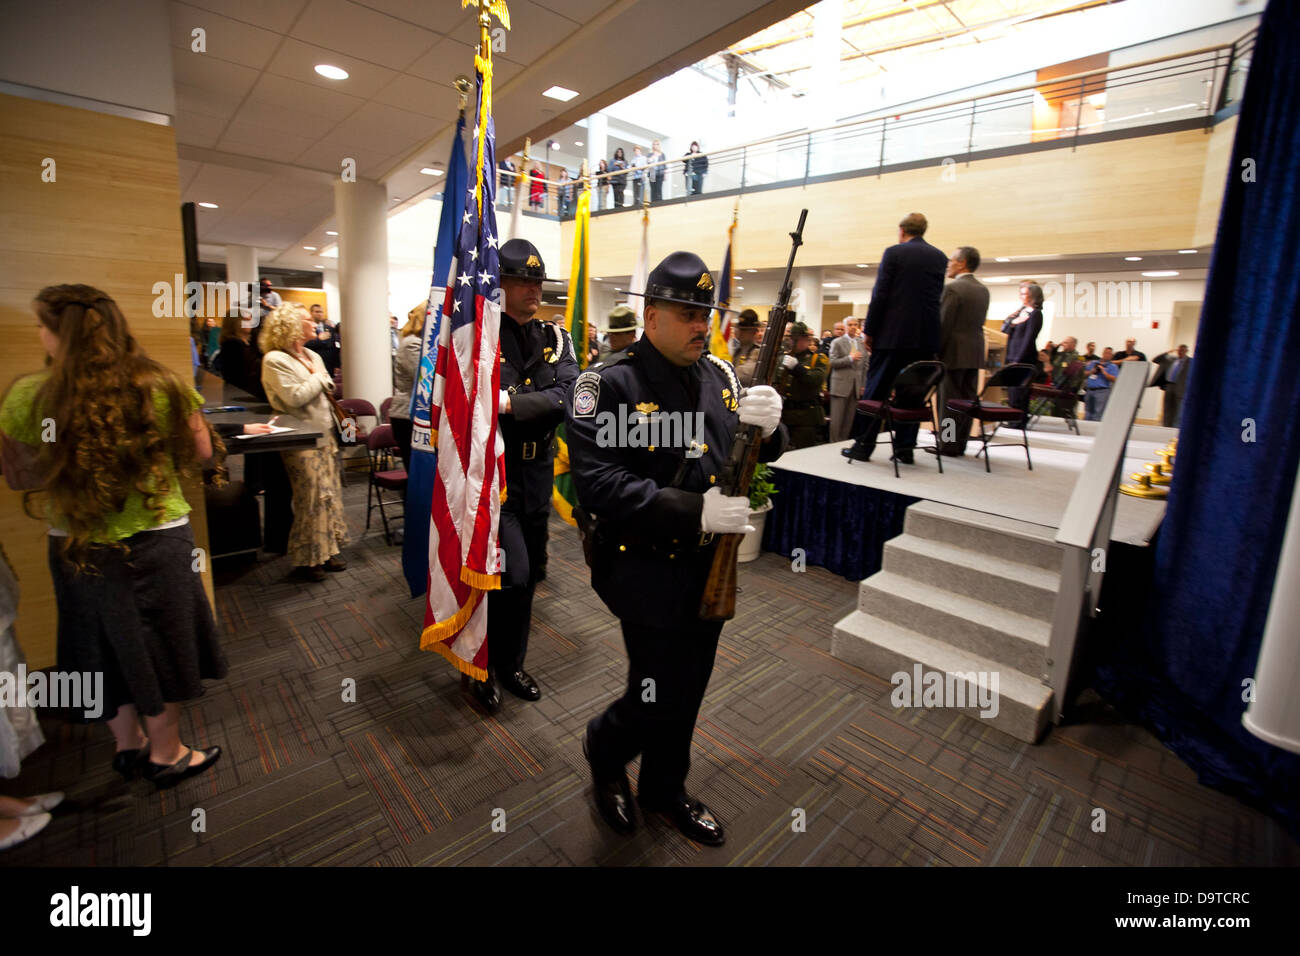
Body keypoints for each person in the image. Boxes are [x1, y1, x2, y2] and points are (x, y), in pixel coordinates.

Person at [566, 250, 788, 845]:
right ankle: (604, 746)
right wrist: (696, 509)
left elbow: (759, 448)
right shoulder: (606, 384)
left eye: (705, 313)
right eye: (687, 312)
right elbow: (600, 484)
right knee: (656, 688)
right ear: (652, 315)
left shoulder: (720, 376)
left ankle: (665, 788)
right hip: (641, 565)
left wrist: (773, 424)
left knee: (689, 685)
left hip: (708, 567)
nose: (700, 325)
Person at [0, 285, 225, 791]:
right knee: (163, 643)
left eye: (42, 325)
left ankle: (128, 745)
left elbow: (19, 475)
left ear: (63, 335)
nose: (39, 335)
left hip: (76, 543)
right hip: (158, 538)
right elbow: (203, 453)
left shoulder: (30, 396)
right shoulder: (161, 385)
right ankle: (168, 752)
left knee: (96, 645)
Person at [469, 239, 578, 714]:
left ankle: (511, 663)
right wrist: (544, 401)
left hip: (537, 476)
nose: (534, 289)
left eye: (538, 281)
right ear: (500, 283)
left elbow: (575, 397)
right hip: (497, 477)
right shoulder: (480, 338)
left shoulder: (556, 339)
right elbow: (474, 408)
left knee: (528, 576)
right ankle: (478, 665)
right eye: (523, 280)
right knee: (505, 576)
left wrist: (512, 404)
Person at [843, 212, 946, 464]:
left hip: (892, 338)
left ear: (902, 230)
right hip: (925, 339)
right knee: (913, 394)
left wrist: (870, 331)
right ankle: (904, 449)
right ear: (924, 230)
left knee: (876, 390)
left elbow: (881, 294)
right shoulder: (940, 257)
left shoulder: (894, 253)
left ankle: (863, 445)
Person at [260, 303, 349, 582]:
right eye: (308, 320)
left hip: (325, 434)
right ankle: (307, 558)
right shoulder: (274, 360)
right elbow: (294, 398)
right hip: (300, 439)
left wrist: (320, 379)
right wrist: (320, 379)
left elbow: (329, 386)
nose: (314, 324)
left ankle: (327, 551)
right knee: (310, 498)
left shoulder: (311, 354)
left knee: (330, 494)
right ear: (291, 326)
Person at [937, 246, 989, 455]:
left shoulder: (952, 288)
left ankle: (948, 444)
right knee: (967, 401)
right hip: (974, 354)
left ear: (962, 263)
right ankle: (961, 443)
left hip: (952, 355)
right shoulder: (982, 290)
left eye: (951, 260)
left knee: (949, 403)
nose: (948, 264)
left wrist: (935, 353)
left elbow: (943, 324)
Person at [775, 321, 829, 448]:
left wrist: (797, 368)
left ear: (806, 340)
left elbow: (816, 379)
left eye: (797, 339)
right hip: (786, 414)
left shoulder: (817, 358)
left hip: (806, 417)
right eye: (792, 339)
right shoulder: (783, 358)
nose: (793, 342)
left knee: (802, 452)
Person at [1000, 281, 1044, 426]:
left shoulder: (1036, 314)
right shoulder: (1021, 312)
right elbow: (1005, 332)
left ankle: (1019, 421)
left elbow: (1028, 338)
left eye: (1024, 293)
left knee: (1020, 392)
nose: (1021, 296)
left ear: (1033, 296)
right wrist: (1010, 321)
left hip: (1023, 357)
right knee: (1012, 391)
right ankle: (1013, 419)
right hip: (1011, 354)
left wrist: (1018, 359)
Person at [389, 303, 424, 471]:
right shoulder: (412, 343)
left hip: (415, 412)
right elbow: (422, 377)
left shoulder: (420, 342)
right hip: (406, 414)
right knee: (415, 469)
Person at [828, 320, 866, 443]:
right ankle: (832, 444)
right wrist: (850, 358)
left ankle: (842, 443)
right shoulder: (837, 342)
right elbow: (833, 362)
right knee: (837, 421)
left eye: (855, 325)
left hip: (855, 386)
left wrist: (863, 385)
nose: (853, 327)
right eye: (850, 325)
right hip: (840, 386)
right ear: (845, 327)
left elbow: (865, 366)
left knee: (848, 421)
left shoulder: (861, 343)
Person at [217, 310, 267, 400]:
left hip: (246, 391)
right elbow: (252, 367)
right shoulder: (232, 344)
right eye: (246, 320)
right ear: (235, 323)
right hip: (239, 392)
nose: (251, 323)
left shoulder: (247, 342)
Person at [1152, 344, 1192, 427]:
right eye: (1179, 350)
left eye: (1182, 350)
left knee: (1178, 409)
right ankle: (1166, 426)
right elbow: (1155, 360)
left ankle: (1175, 427)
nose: (1180, 352)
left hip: (1181, 387)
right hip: (1169, 385)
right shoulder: (1171, 359)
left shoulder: (1191, 361)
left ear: (1186, 351)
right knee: (1167, 407)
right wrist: (1167, 352)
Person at [1083, 347, 1120, 420]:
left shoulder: (1113, 366)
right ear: (1102, 353)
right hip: (1090, 390)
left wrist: (1104, 372)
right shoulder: (1093, 363)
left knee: (1098, 413)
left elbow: (1114, 379)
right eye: (1106, 353)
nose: (1107, 355)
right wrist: (1092, 371)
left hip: (1102, 392)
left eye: (1109, 354)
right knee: (1088, 412)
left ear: (1111, 355)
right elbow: (1084, 374)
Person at [305, 303, 341, 377]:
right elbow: (306, 345)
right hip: (314, 364)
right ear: (311, 313)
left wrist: (337, 364)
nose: (319, 314)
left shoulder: (330, 329)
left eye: (321, 312)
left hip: (329, 365)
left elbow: (334, 347)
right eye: (317, 312)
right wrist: (319, 340)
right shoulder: (307, 328)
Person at [730, 308, 763, 387]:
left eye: (744, 330)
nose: (740, 332)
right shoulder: (737, 350)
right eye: (739, 329)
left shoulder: (757, 352)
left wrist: (723, 372)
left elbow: (745, 375)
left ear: (754, 331)